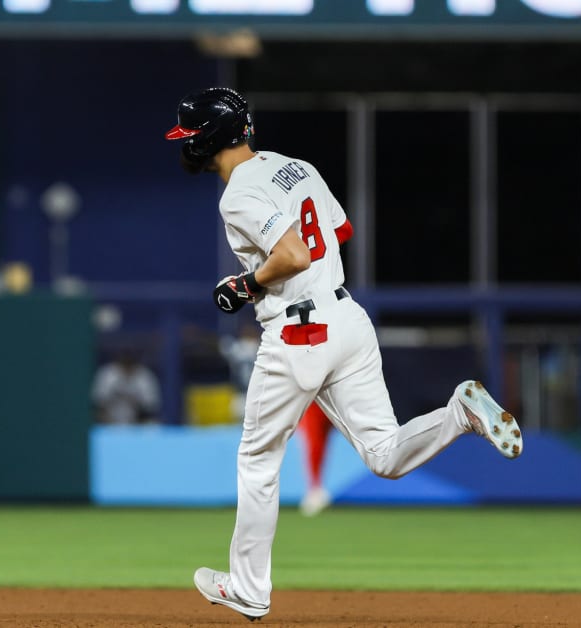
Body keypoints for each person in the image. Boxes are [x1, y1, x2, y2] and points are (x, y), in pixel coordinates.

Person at [164, 87, 523, 621]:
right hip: (348, 320)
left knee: (258, 460)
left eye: (190, 135)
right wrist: (273, 275)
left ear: (208, 139)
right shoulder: (295, 166)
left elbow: (293, 252)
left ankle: (248, 587)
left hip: (299, 332)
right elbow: (338, 232)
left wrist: (246, 284)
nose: (186, 145)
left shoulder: (236, 194)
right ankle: (459, 415)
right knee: (383, 455)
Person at [91, 350, 161, 425]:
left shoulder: (145, 376)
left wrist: (133, 401)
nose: (127, 365)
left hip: (137, 423)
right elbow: (98, 403)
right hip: (109, 420)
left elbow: (151, 407)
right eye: (124, 362)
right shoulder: (108, 374)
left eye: (130, 363)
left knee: (152, 426)